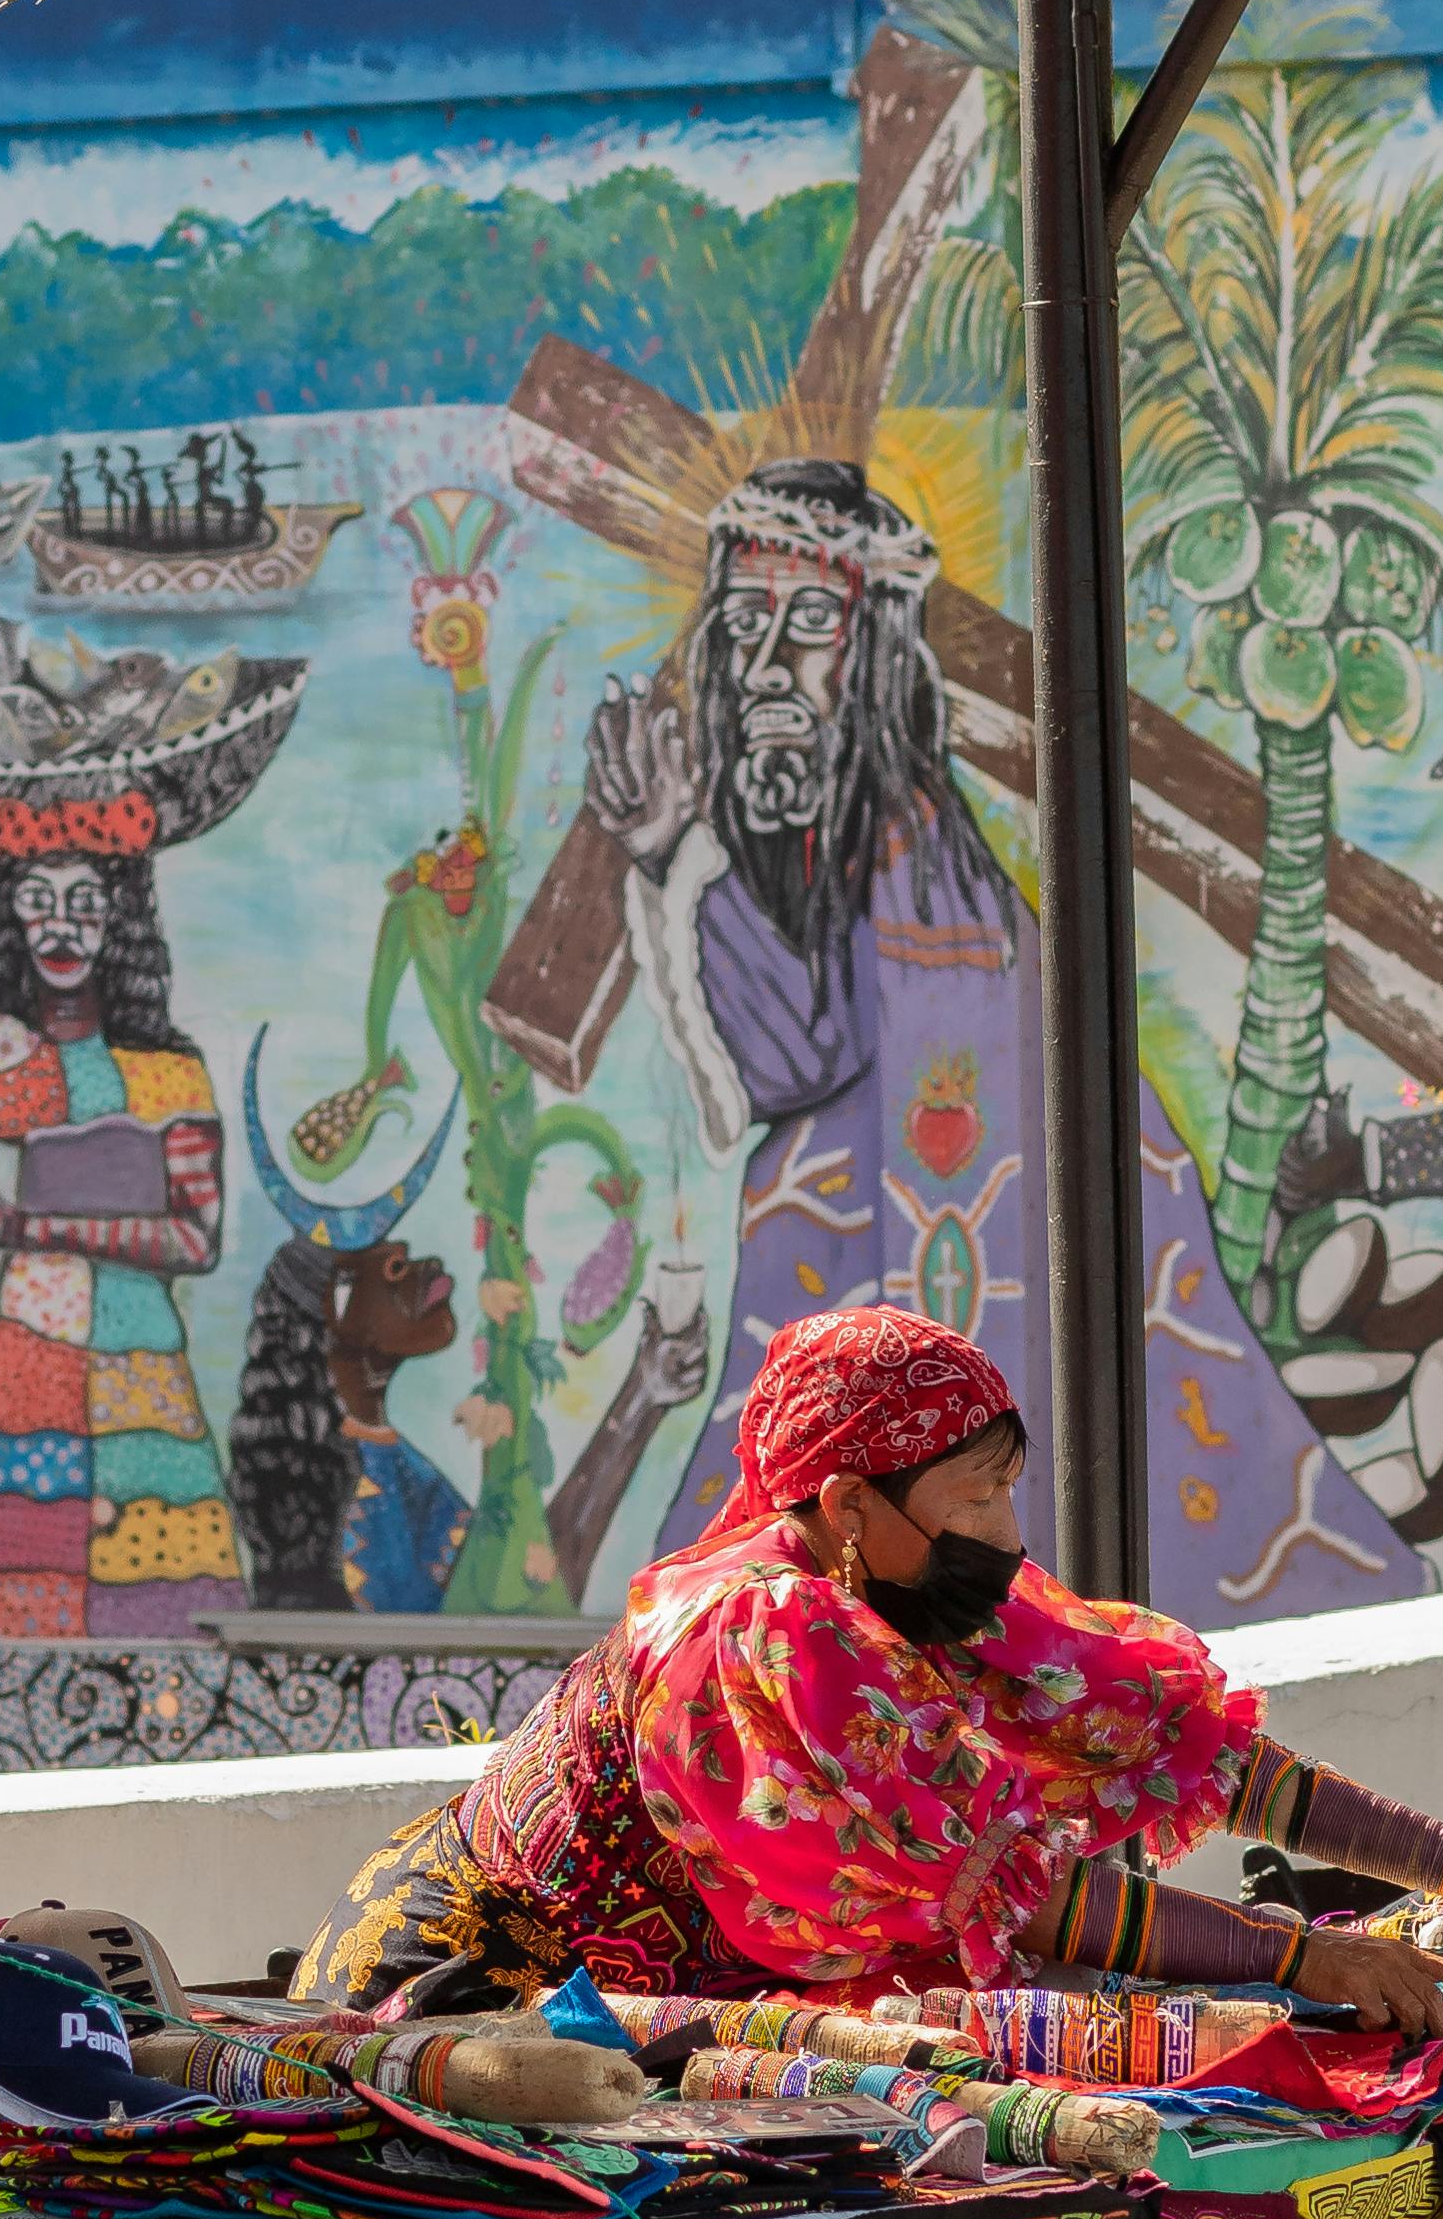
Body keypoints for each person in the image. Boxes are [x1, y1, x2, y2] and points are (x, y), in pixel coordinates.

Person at [296, 1306, 1443, 2032]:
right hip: (466, 2018)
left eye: (1005, 1490)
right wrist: (1309, 1960)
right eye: (977, 1495)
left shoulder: (911, 1570)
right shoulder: (758, 1638)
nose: (1008, 1534)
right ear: (843, 1499)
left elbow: (1177, 1743)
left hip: (649, 2022)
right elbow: (1017, 1887)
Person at [571, 457, 1399, 1632]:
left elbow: (795, 1061)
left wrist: (667, 850)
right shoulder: (824, 826)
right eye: (744, 622)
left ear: (871, 655)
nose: (767, 665)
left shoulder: (912, 853)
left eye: (810, 621)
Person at [0, 711, 243, 1639]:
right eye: (37, 900)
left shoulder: (169, 1072)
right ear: (6, 914)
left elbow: (195, 1237)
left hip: (140, 1374)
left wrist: (21, 1228)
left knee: (155, 1614)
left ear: (119, 921)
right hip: (27, 1362)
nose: (60, 927)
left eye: (84, 903)